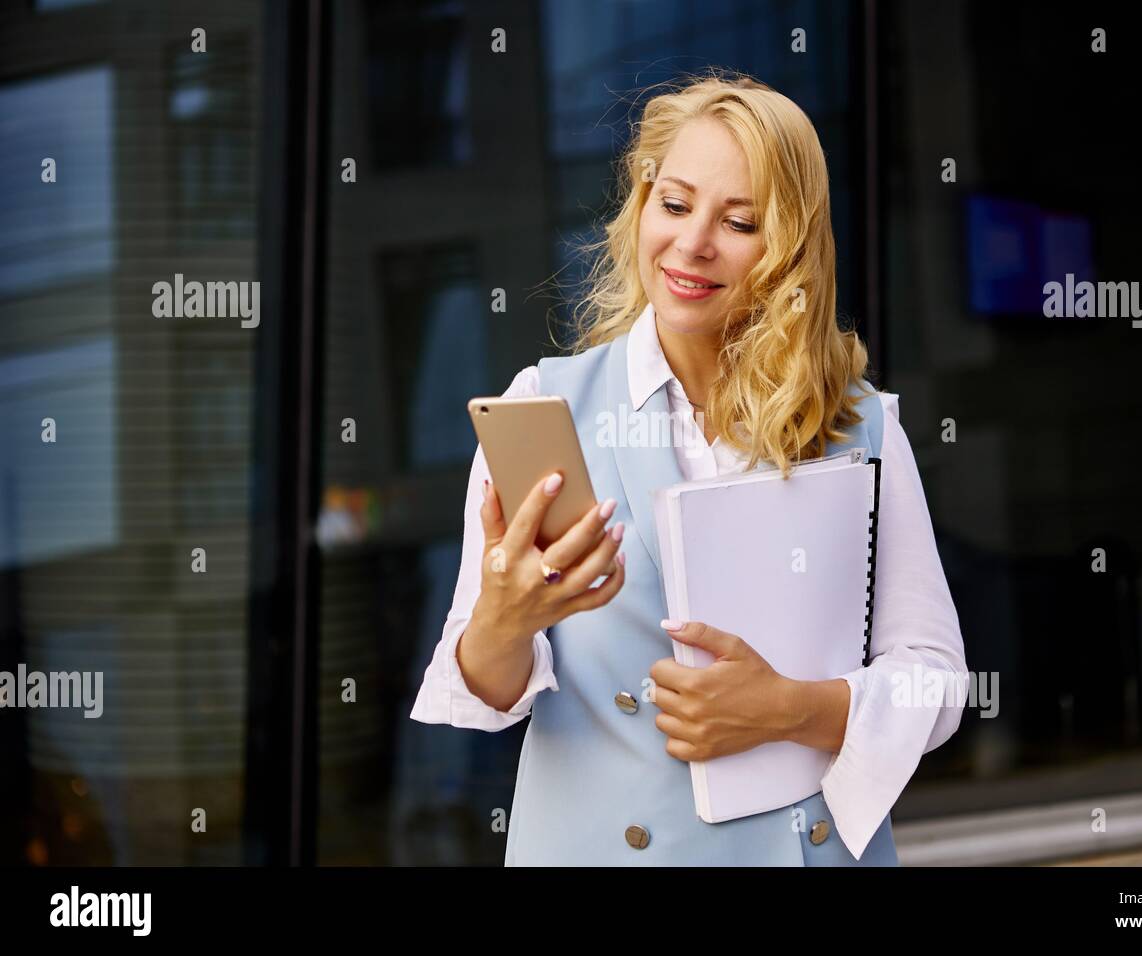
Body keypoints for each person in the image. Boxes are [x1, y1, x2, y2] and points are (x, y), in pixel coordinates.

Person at [411, 73, 966, 865]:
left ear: (789, 247)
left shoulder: (862, 425)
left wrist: (789, 709)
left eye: (739, 222)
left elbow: (936, 681)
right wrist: (504, 616)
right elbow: (484, 695)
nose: (693, 243)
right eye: (673, 205)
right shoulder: (544, 408)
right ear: (641, 207)